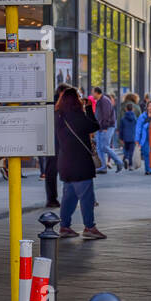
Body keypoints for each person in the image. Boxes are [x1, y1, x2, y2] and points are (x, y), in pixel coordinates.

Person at [55, 86, 104, 239]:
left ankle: (64, 227)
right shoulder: (78, 116)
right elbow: (94, 126)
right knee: (86, 197)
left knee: (68, 197)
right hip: (80, 164)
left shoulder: (58, 116)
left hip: (65, 163)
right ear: (76, 100)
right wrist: (89, 109)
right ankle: (89, 227)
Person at [91, 86, 121, 174]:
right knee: (99, 147)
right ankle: (103, 167)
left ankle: (119, 161)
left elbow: (106, 115)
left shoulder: (104, 101)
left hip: (107, 127)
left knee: (104, 146)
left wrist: (104, 127)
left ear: (97, 92)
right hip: (101, 127)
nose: (92, 94)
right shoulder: (100, 101)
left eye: (93, 92)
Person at [136, 99, 151, 175]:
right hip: (144, 138)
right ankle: (148, 169)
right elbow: (138, 128)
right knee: (146, 153)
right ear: (147, 107)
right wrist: (137, 139)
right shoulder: (142, 116)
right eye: (149, 106)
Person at [118, 99, 140, 171]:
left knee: (126, 150)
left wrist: (120, 137)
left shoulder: (123, 119)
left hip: (125, 137)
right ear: (133, 109)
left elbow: (121, 129)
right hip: (133, 137)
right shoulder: (135, 119)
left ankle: (126, 158)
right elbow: (137, 128)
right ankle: (130, 165)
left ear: (126, 109)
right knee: (131, 151)